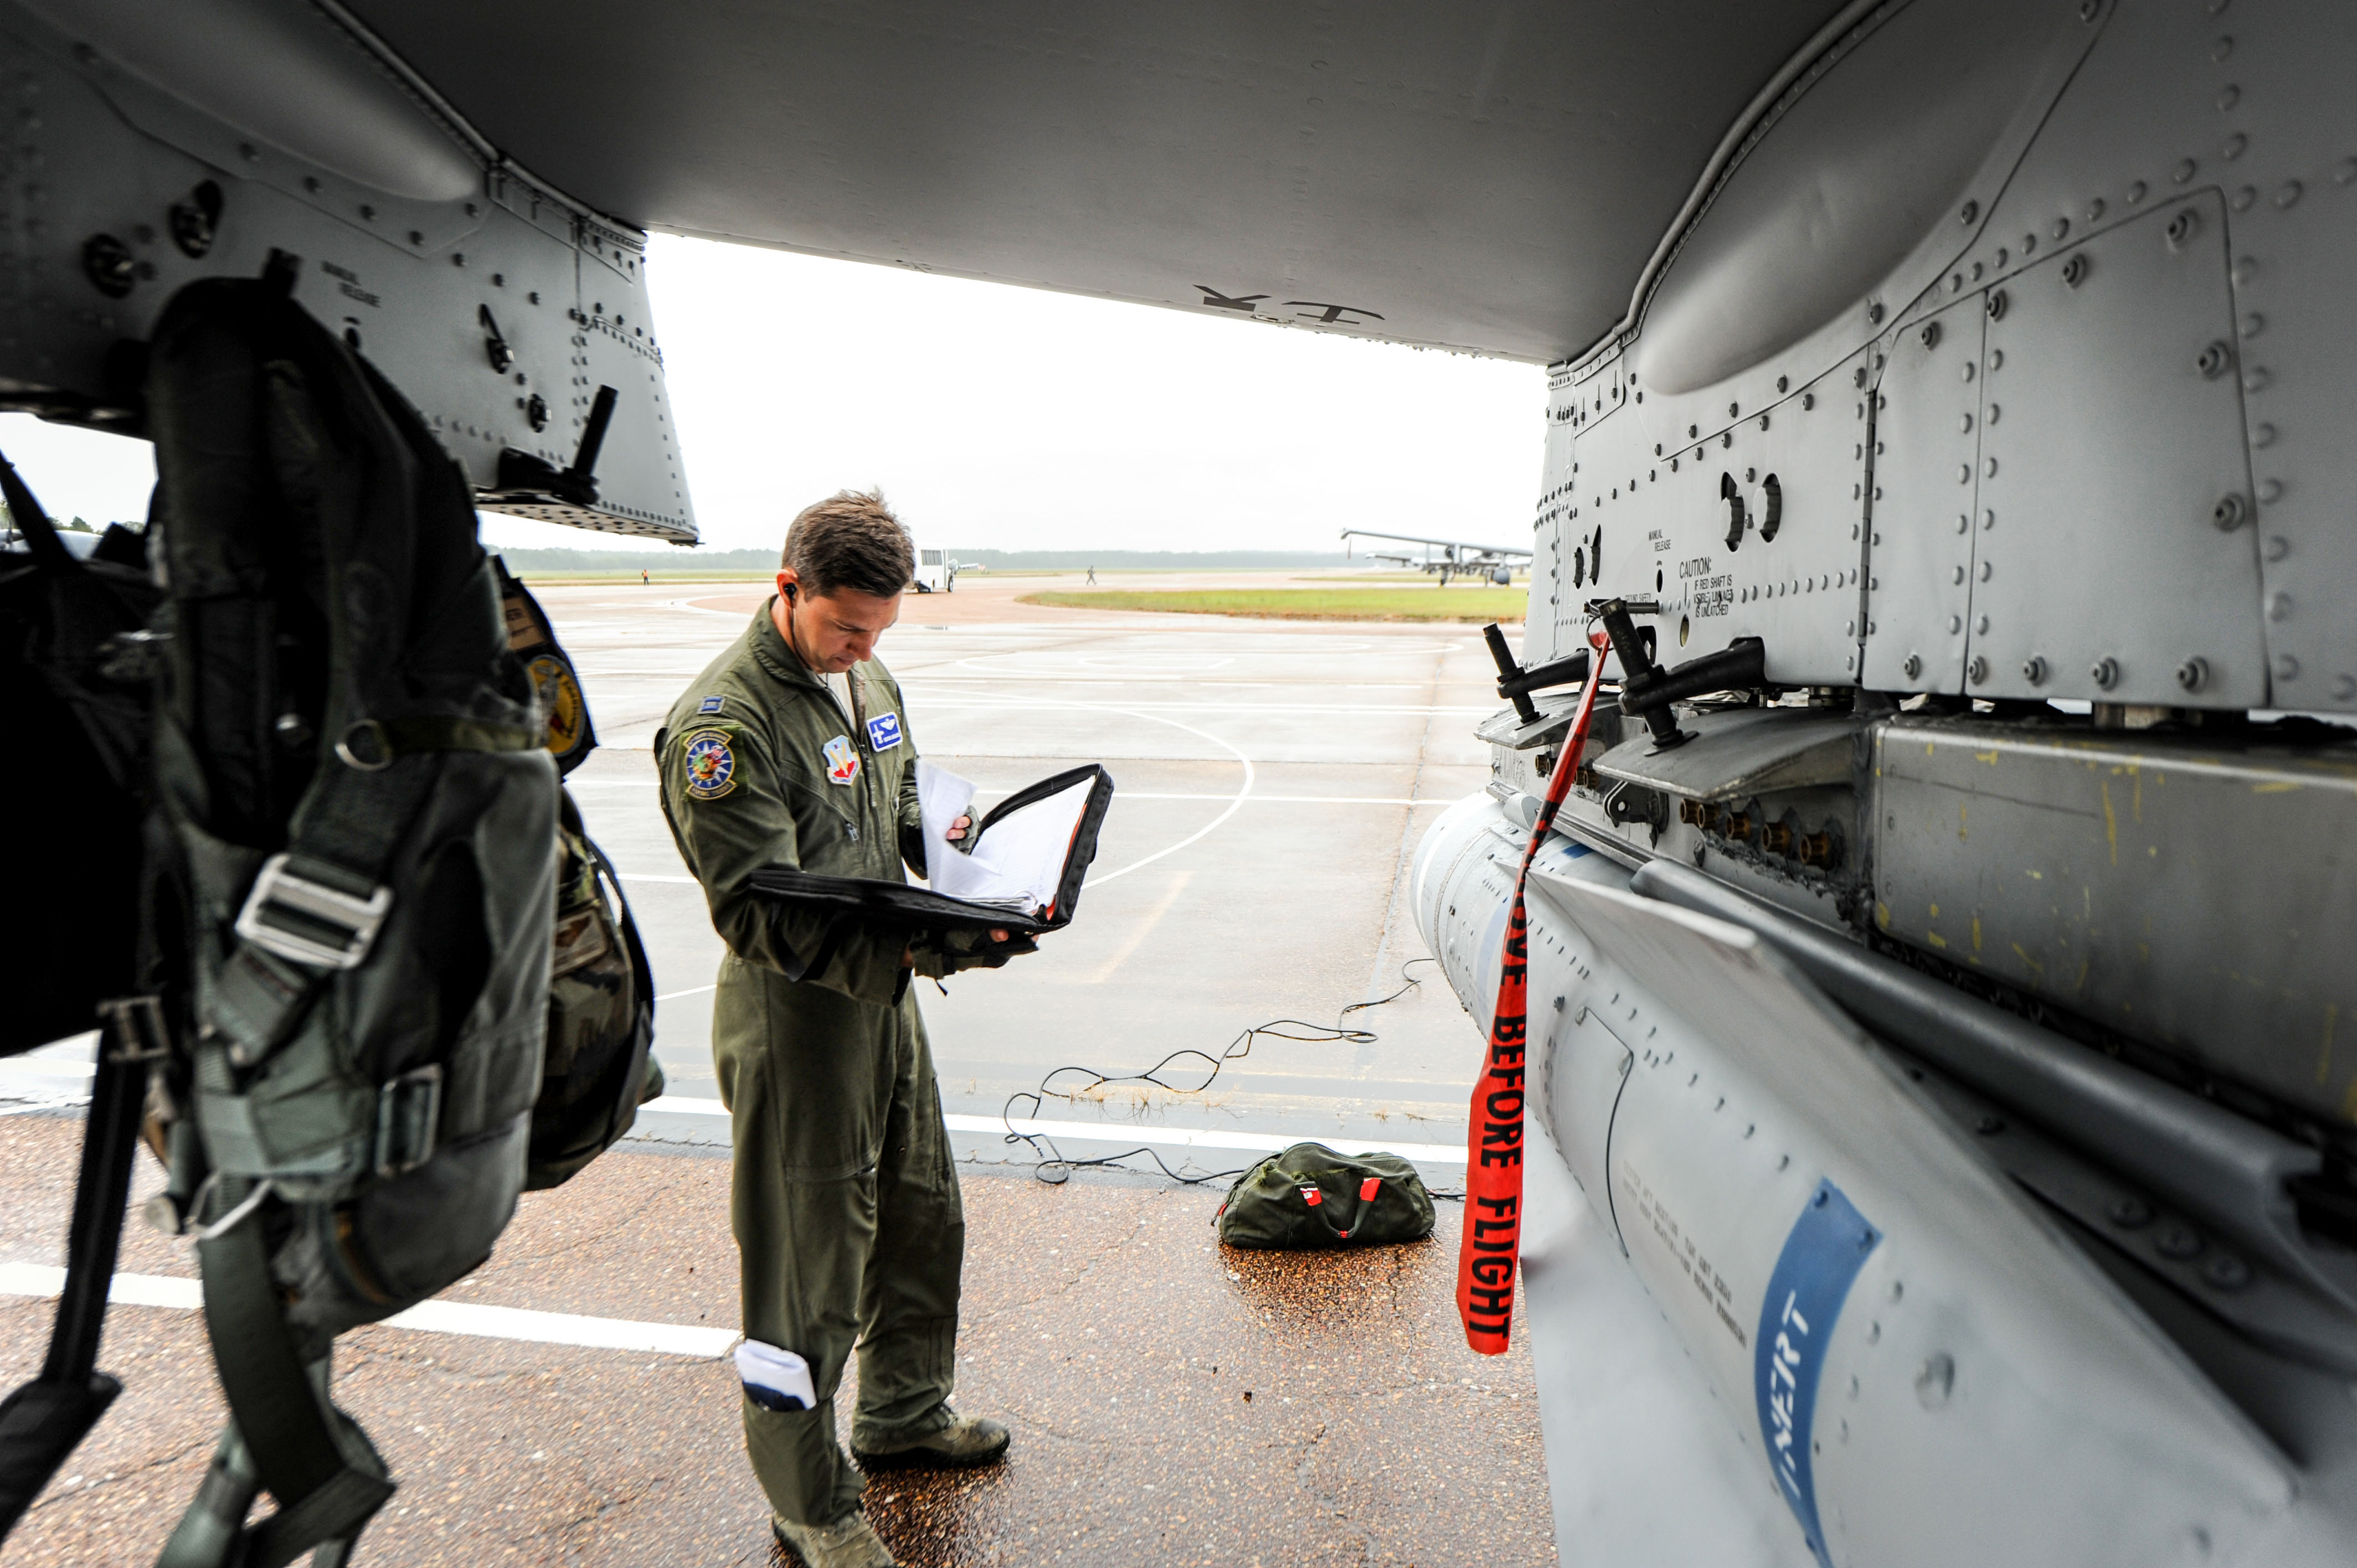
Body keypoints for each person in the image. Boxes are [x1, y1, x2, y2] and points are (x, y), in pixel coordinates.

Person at [656, 489, 1027, 1567]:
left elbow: (903, 796)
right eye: (844, 627)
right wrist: (927, 946)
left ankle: (904, 1413)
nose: (861, 649)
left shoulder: (867, 677)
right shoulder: (724, 725)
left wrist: (982, 869)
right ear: (789, 588)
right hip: (796, 1021)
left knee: (920, 1215)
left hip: (883, 1005)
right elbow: (762, 909)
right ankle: (808, 1501)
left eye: (878, 630)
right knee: (806, 1274)